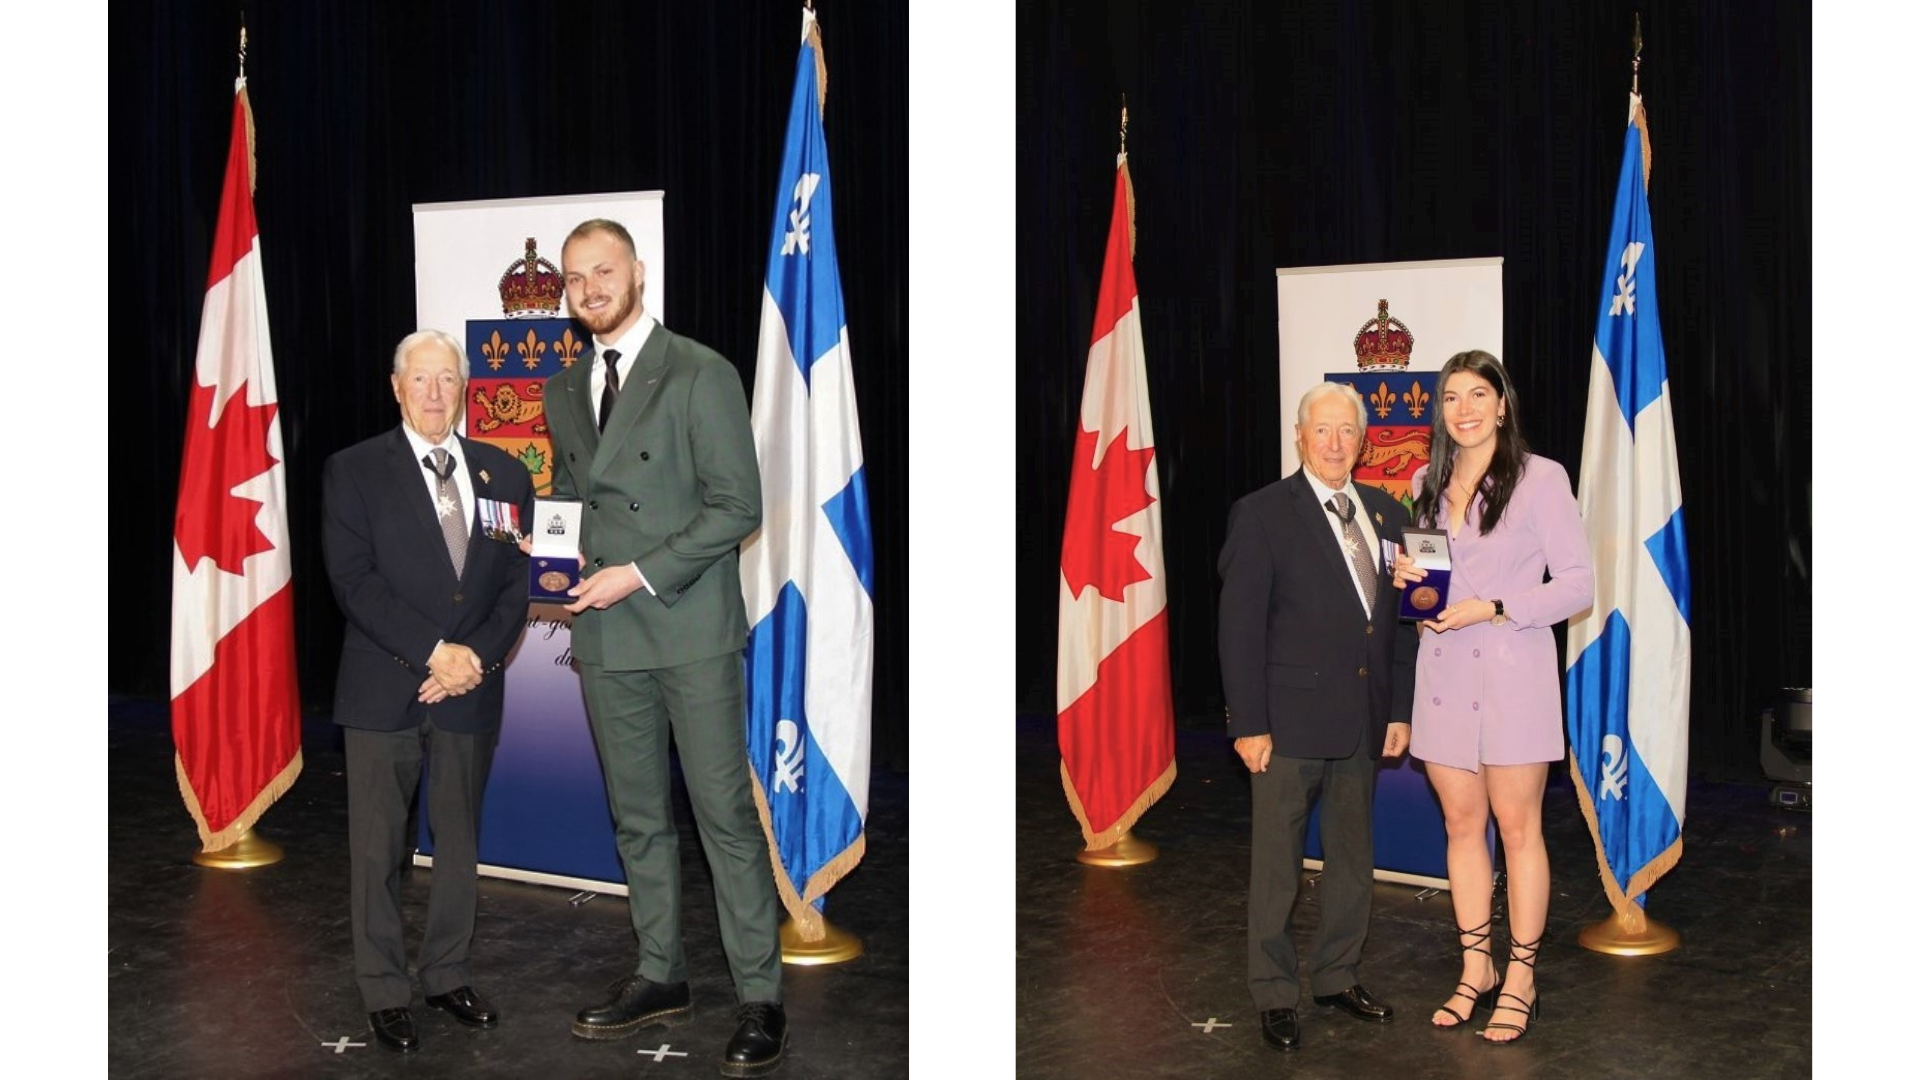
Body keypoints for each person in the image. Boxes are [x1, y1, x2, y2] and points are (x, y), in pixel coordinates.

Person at [543, 217, 787, 1077]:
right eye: (574, 280)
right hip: (607, 639)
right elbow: (574, 497)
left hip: (686, 630)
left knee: (723, 818)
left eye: (602, 271)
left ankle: (760, 992)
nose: (588, 290)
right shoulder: (564, 387)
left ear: (637, 272)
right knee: (638, 819)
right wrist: (558, 553)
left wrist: (637, 572)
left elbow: (737, 508)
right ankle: (661, 973)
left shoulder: (698, 371)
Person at [320, 329, 534, 1053]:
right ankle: (384, 989)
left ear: (464, 387)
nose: (436, 393)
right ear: (397, 387)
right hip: (383, 692)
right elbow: (354, 582)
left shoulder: (504, 476)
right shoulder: (353, 471)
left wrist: (471, 657)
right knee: (377, 850)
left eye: (448, 379)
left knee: (459, 843)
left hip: (470, 691)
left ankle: (446, 974)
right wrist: (433, 653)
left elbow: (513, 586)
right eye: (422, 379)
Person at [1391, 349, 1593, 1045]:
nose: (1466, 409)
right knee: (1459, 828)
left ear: (1503, 405)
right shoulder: (1425, 479)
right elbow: (1430, 586)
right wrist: (1413, 590)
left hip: (1513, 674)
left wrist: (1496, 606)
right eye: (1452, 397)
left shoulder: (1541, 479)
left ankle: (1522, 975)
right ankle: (1475, 966)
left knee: (1518, 830)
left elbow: (1577, 585)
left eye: (1479, 394)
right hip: (1444, 676)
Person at [1217, 381, 1418, 1055]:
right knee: (1277, 868)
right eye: (1321, 430)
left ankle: (1336, 977)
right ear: (1300, 436)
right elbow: (1239, 629)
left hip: (1363, 723)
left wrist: (1397, 709)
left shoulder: (1390, 516)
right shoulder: (1263, 513)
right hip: (1285, 727)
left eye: (1347, 432)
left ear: (1363, 443)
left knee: (1353, 862)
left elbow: (1400, 626)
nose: (1334, 443)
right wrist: (1248, 722)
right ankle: (1274, 992)